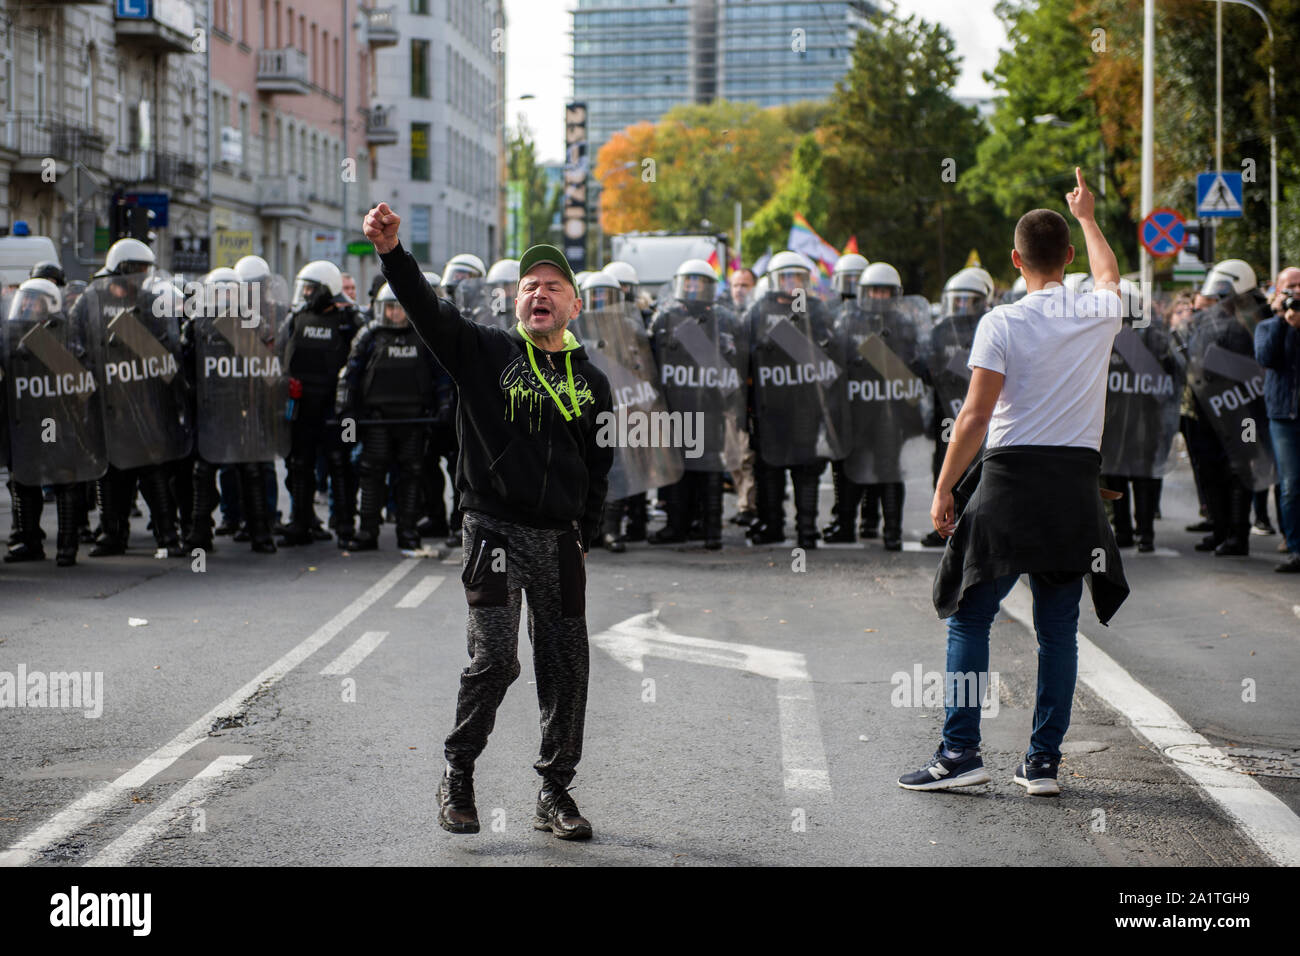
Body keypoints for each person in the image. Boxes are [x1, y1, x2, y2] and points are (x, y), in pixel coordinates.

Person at [365, 202, 613, 840]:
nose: (539, 293)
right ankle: (458, 772)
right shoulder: (484, 352)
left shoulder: (592, 384)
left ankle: (554, 794)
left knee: (566, 664)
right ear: (516, 303)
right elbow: (426, 309)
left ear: (574, 306)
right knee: (497, 657)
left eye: (554, 287)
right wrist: (393, 252)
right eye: (530, 286)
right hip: (493, 529)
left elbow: (598, 466)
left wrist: (586, 533)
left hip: (559, 538)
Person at [900, 170, 1129, 797]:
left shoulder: (1001, 322)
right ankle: (1043, 763)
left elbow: (974, 417)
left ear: (1014, 260)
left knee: (970, 616)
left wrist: (945, 487)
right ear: (1069, 259)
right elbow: (1110, 277)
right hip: (1075, 486)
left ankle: (960, 753)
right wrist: (1085, 213)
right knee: (1058, 627)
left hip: (1009, 480)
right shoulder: (1098, 311)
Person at [336, 283, 453, 552]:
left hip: (413, 420)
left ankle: (408, 531)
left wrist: (445, 406)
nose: (395, 313)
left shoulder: (423, 335)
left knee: (411, 475)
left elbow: (442, 376)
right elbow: (349, 375)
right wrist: (346, 411)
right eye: (390, 307)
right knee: (371, 474)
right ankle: (367, 532)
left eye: (399, 307)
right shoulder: (370, 335)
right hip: (377, 419)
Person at [744, 251, 842, 548]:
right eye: (786, 277)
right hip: (769, 406)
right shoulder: (758, 311)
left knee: (806, 467)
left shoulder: (817, 310)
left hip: (806, 405)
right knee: (769, 468)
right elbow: (743, 357)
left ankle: (807, 531)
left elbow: (834, 356)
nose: (791, 283)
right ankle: (773, 526)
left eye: (797, 277)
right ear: (775, 280)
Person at [278, 260, 360, 546]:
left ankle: (345, 527)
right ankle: (300, 523)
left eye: (311, 289)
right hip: (302, 405)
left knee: (340, 464)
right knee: (300, 464)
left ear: (327, 290)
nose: (306, 294)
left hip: (335, 406)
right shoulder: (295, 319)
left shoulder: (349, 321)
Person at [1255, 266, 1300, 572]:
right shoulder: (1268, 326)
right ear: (1277, 290)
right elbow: (1268, 358)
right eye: (1290, 287)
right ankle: (1296, 547)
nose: (1295, 292)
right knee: (1291, 485)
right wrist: (1284, 322)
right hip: (1283, 414)